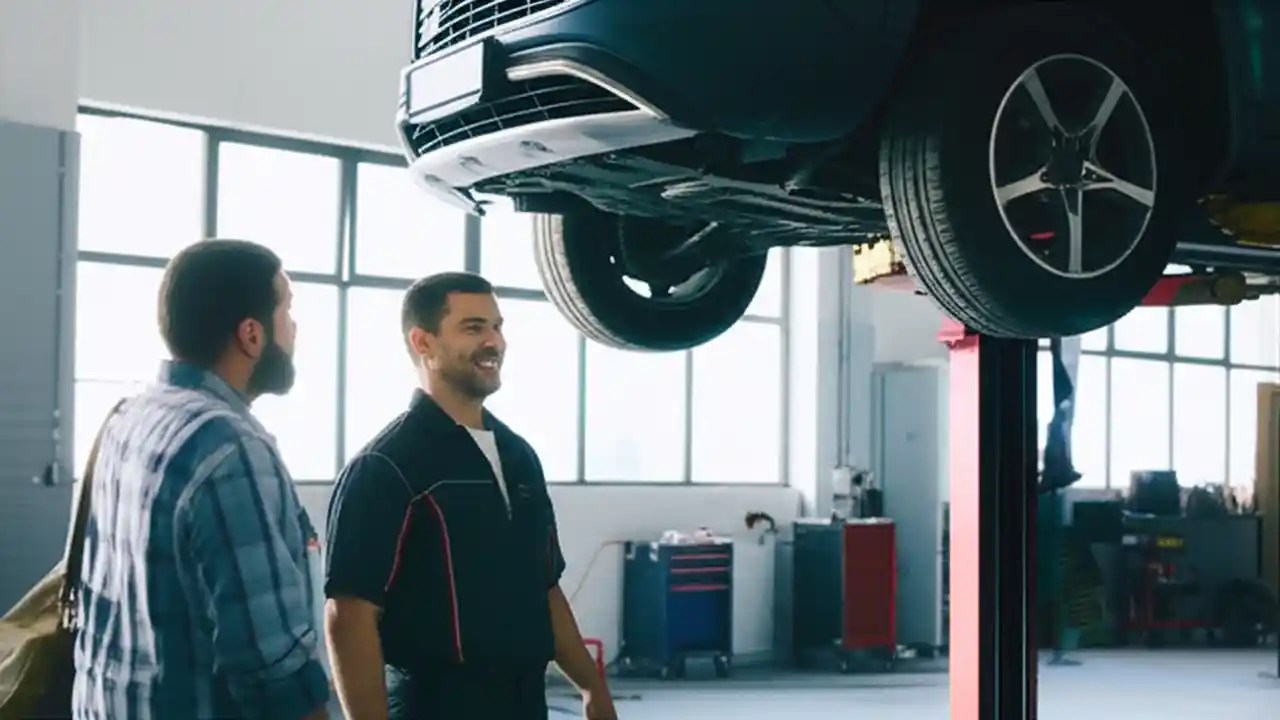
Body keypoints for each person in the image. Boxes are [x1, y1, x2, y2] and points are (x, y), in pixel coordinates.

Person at [324, 272, 616, 720]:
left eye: (497, 327)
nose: (494, 342)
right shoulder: (387, 466)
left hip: (524, 703)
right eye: (473, 328)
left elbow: (545, 586)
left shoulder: (518, 456)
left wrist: (592, 688)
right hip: (436, 706)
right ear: (423, 342)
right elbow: (350, 615)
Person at [71, 239, 330, 720]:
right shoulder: (230, 450)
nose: (293, 328)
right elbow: (272, 673)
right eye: (287, 309)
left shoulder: (129, 416)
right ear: (251, 335)